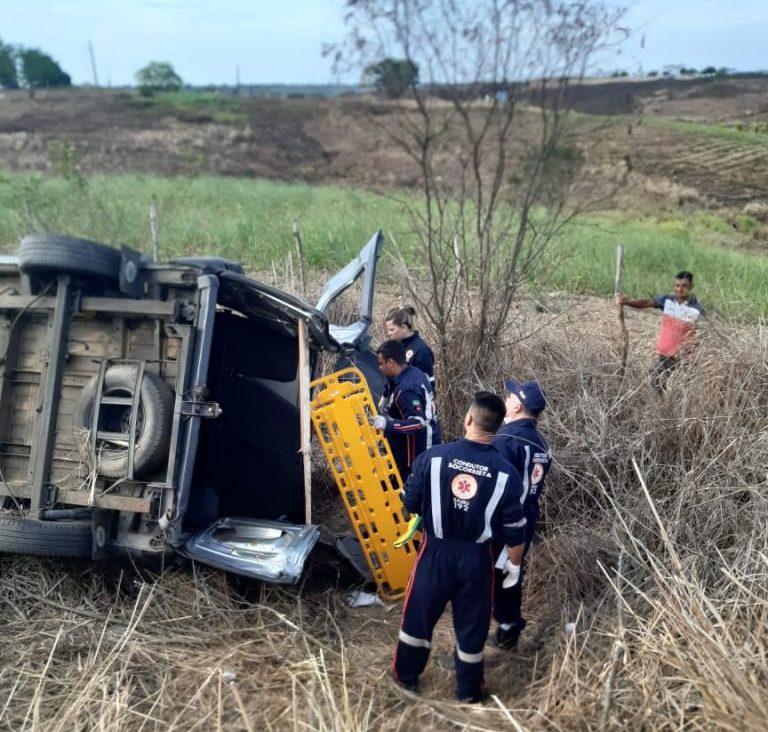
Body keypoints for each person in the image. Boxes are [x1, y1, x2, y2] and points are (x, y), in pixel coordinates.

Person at [391, 391, 526, 703]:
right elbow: (515, 530)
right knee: (472, 627)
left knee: (417, 617)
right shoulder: (507, 475)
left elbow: (409, 503)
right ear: (497, 428)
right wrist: (514, 566)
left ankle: (406, 679)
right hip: (478, 560)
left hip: (434, 553)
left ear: (468, 418)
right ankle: (468, 692)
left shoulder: (433, 458)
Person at [490, 379, 552, 651]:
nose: (506, 400)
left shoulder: (505, 440)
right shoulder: (542, 443)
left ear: (516, 404)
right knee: (511, 573)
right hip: (527, 517)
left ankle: (484, 639)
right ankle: (508, 626)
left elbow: (495, 485)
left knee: (488, 576)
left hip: (503, 521)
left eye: (509, 396)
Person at [619, 271, 705, 389]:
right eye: (677, 285)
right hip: (665, 356)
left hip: (685, 359)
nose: (679, 289)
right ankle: (661, 406)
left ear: (691, 287)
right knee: (655, 382)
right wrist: (628, 302)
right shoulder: (667, 300)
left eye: (684, 286)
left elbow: (703, 334)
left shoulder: (697, 310)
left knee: (680, 389)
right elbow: (648, 302)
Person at [373, 339, 441, 481]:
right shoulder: (411, 371)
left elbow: (418, 423)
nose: (379, 368)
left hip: (420, 448)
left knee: (414, 486)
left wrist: (388, 424)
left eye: (381, 363)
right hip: (410, 444)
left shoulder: (407, 389)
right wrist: (386, 394)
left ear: (391, 362)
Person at [385, 306, 436, 392]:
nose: (389, 333)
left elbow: (428, 387)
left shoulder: (421, 351)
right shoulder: (396, 346)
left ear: (404, 328)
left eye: (392, 329)